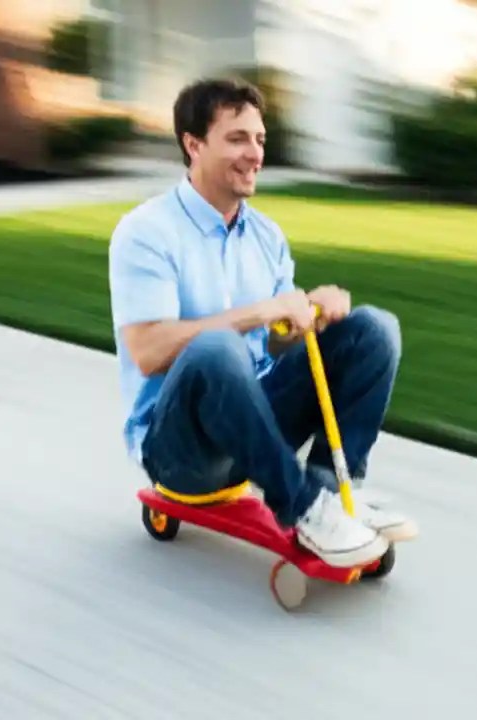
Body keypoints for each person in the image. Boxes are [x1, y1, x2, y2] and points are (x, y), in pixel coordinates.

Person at [108, 77, 416, 569]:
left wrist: (309, 315)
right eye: (237, 139)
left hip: (256, 424)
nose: (255, 154)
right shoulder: (146, 232)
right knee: (216, 348)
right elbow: (147, 352)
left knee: (373, 330)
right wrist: (261, 311)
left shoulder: (266, 236)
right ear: (193, 145)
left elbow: (274, 343)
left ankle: (333, 493)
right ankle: (303, 507)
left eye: (259, 139)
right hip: (182, 452)